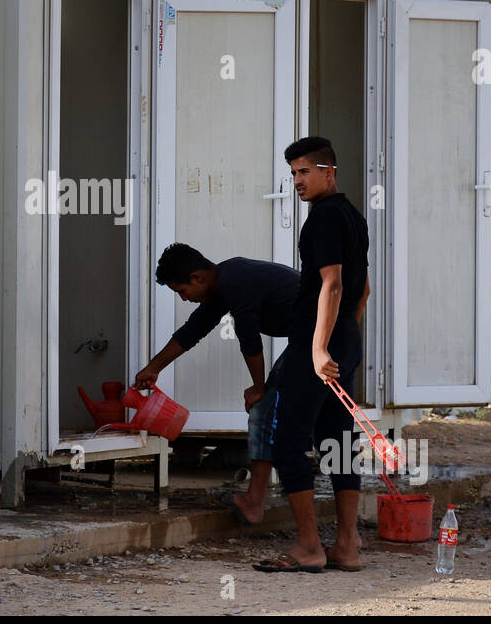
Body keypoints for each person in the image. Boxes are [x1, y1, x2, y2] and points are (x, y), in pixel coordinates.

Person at [253, 136, 370, 574]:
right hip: (346, 341)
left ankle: (308, 548)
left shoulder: (321, 220)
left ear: (328, 171)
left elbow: (334, 285)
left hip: (316, 347)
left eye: (305, 171)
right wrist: (345, 336)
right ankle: (347, 547)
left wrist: (319, 347)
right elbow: (364, 290)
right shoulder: (353, 216)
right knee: (339, 442)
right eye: (293, 173)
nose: (297, 181)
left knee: (287, 442)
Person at [134, 244, 301, 525]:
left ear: (197, 277)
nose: (184, 299)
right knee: (276, 413)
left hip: (322, 336)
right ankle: (260, 499)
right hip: (317, 335)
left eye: (182, 292)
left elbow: (249, 340)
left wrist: (258, 387)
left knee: (264, 410)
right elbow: (193, 330)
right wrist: (153, 368)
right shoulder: (224, 280)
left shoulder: (235, 282)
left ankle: (254, 503)